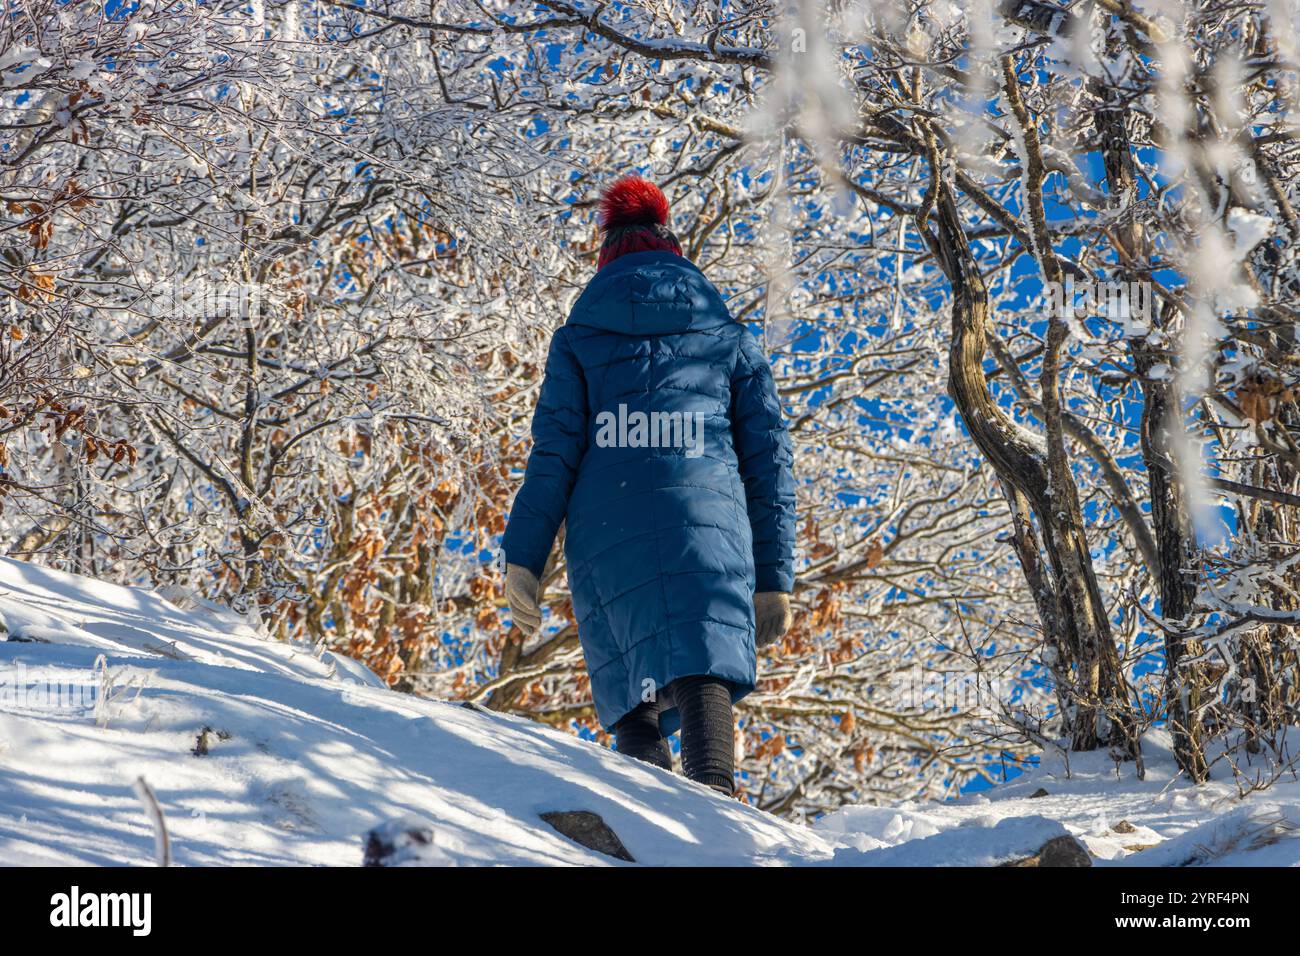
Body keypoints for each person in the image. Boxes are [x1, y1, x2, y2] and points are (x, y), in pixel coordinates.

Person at [501, 175, 796, 795]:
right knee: (702, 661)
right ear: (674, 247)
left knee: (635, 690)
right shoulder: (728, 337)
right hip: (705, 516)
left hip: (607, 535)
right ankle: (715, 798)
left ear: (605, 256)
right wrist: (773, 577)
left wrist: (523, 558)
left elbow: (553, 454)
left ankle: (646, 827)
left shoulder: (578, 339)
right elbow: (768, 461)